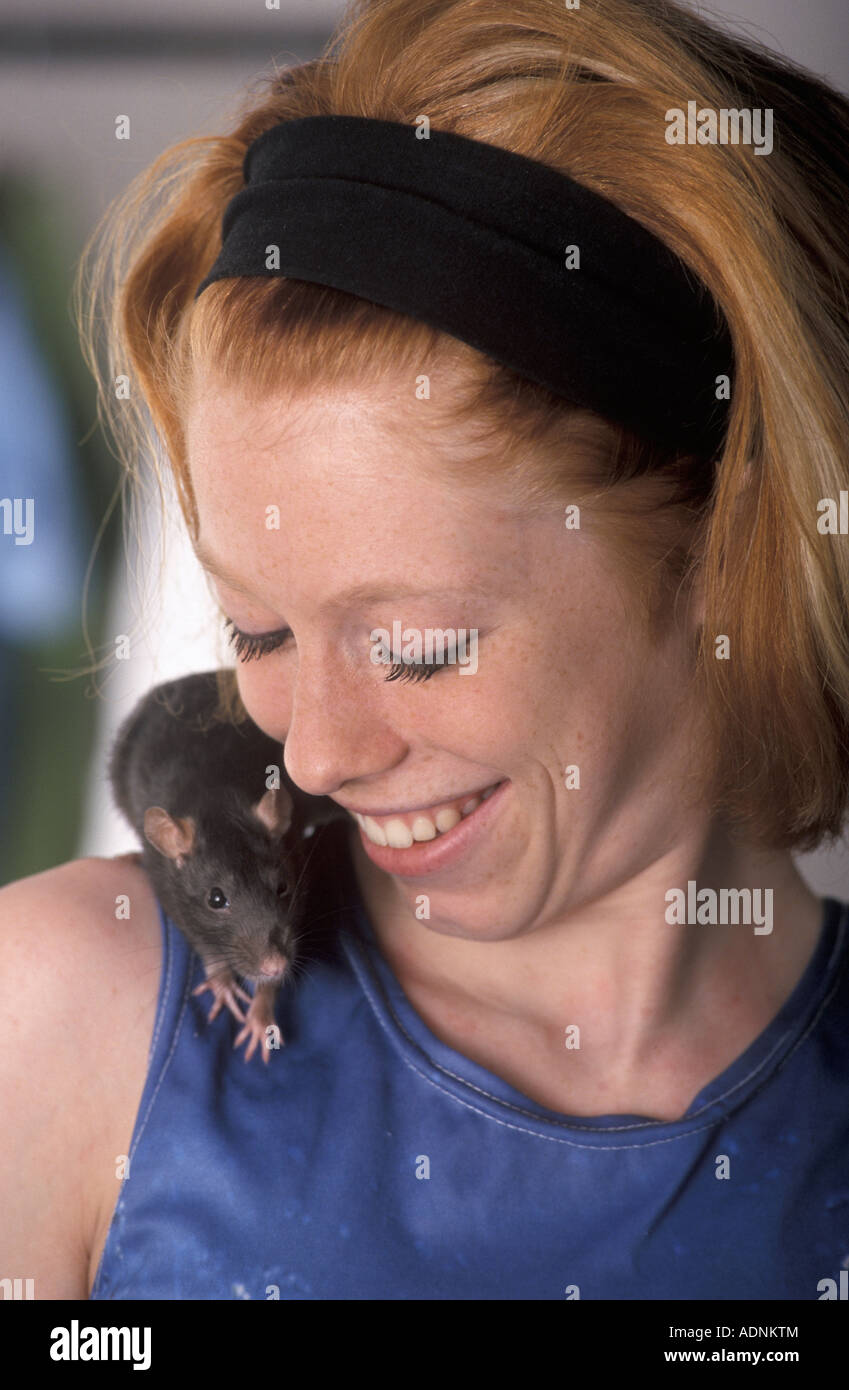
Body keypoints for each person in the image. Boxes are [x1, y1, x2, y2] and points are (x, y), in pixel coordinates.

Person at [2, 0, 849, 1301]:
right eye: (259, 631)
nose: (314, 750)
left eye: (415, 644)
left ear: (723, 552)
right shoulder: (58, 1015)